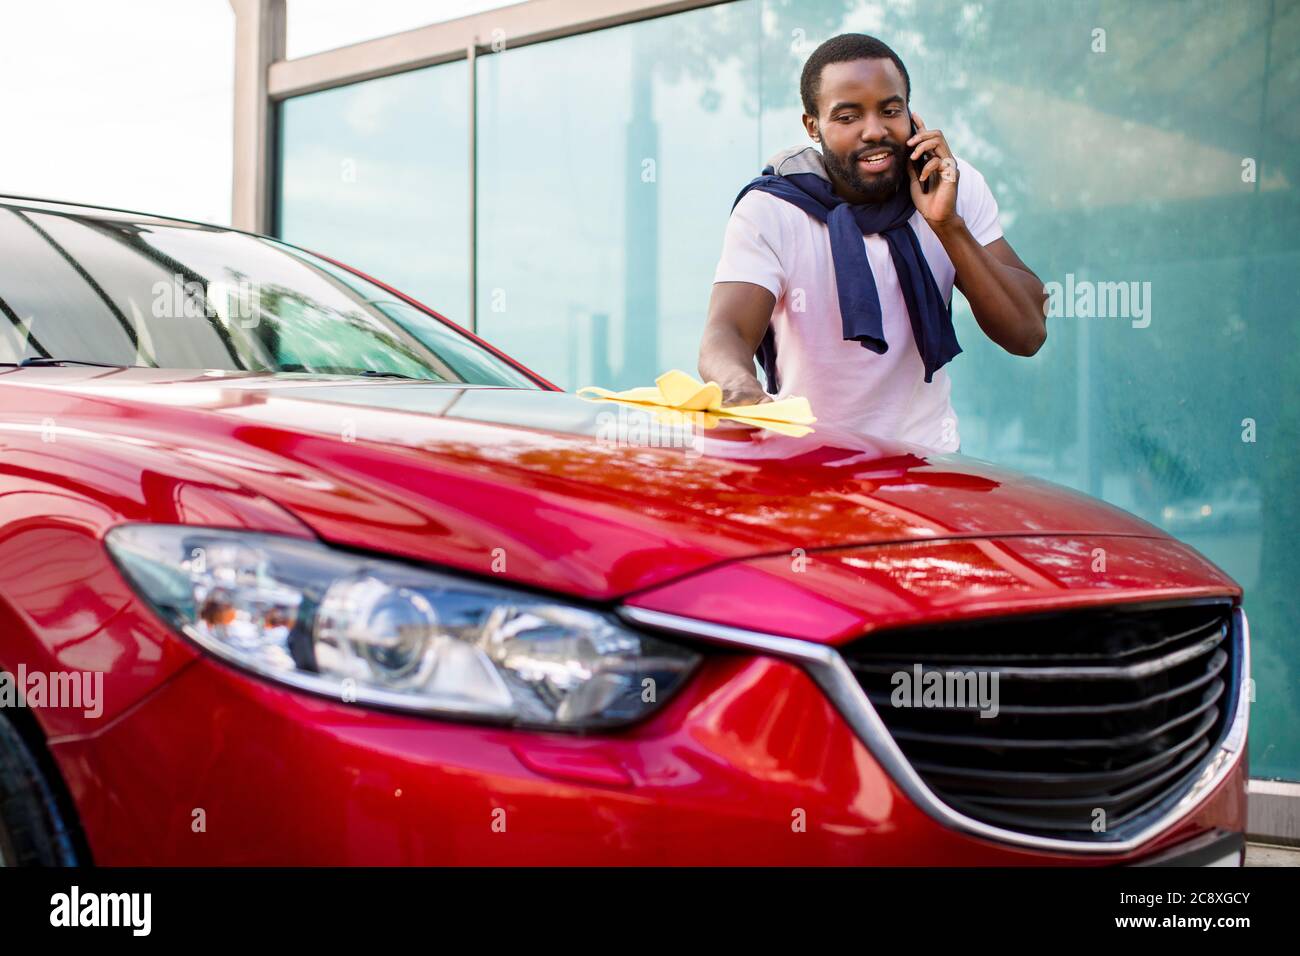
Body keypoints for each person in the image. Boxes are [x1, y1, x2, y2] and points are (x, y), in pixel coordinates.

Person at [699, 33, 1048, 453]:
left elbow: (1027, 332)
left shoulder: (952, 185)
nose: (874, 131)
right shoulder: (772, 209)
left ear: (911, 116)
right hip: (805, 464)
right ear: (813, 126)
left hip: (925, 466)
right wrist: (739, 385)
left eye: (890, 110)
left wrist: (947, 225)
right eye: (847, 117)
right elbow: (726, 331)